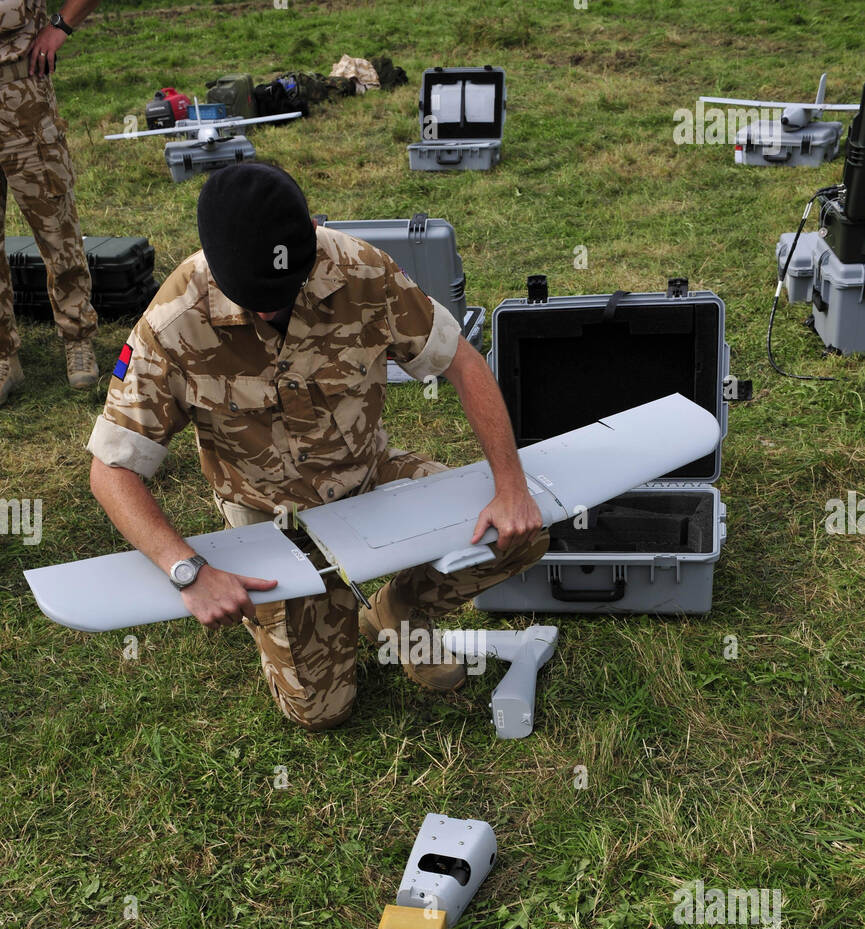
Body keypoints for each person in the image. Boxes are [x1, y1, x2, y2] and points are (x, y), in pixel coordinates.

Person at [87, 162, 549, 730]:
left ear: (309, 234)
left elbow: (462, 361)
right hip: (268, 517)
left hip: (367, 471)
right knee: (322, 712)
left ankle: (401, 609)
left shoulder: (359, 268)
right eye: (253, 298)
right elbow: (111, 469)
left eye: (282, 293)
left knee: (519, 532)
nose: (269, 311)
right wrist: (189, 570)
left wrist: (511, 486)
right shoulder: (173, 322)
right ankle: (295, 621)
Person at [0, 0, 100, 407]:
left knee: (56, 227)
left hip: (23, 95)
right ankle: (3, 353)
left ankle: (77, 337)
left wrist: (60, 26)